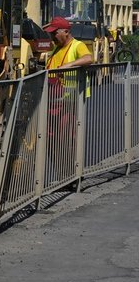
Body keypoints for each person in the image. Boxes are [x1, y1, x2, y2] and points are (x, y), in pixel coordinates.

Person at [44, 15, 93, 173]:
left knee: (66, 140)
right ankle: (62, 172)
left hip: (70, 102)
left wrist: (69, 65)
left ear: (65, 31)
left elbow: (88, 58)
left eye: (55, 32)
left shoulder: (77, 45)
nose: (52, 36)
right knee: (50, 139)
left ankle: (71, 173)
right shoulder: (56, 48)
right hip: (53, 101)